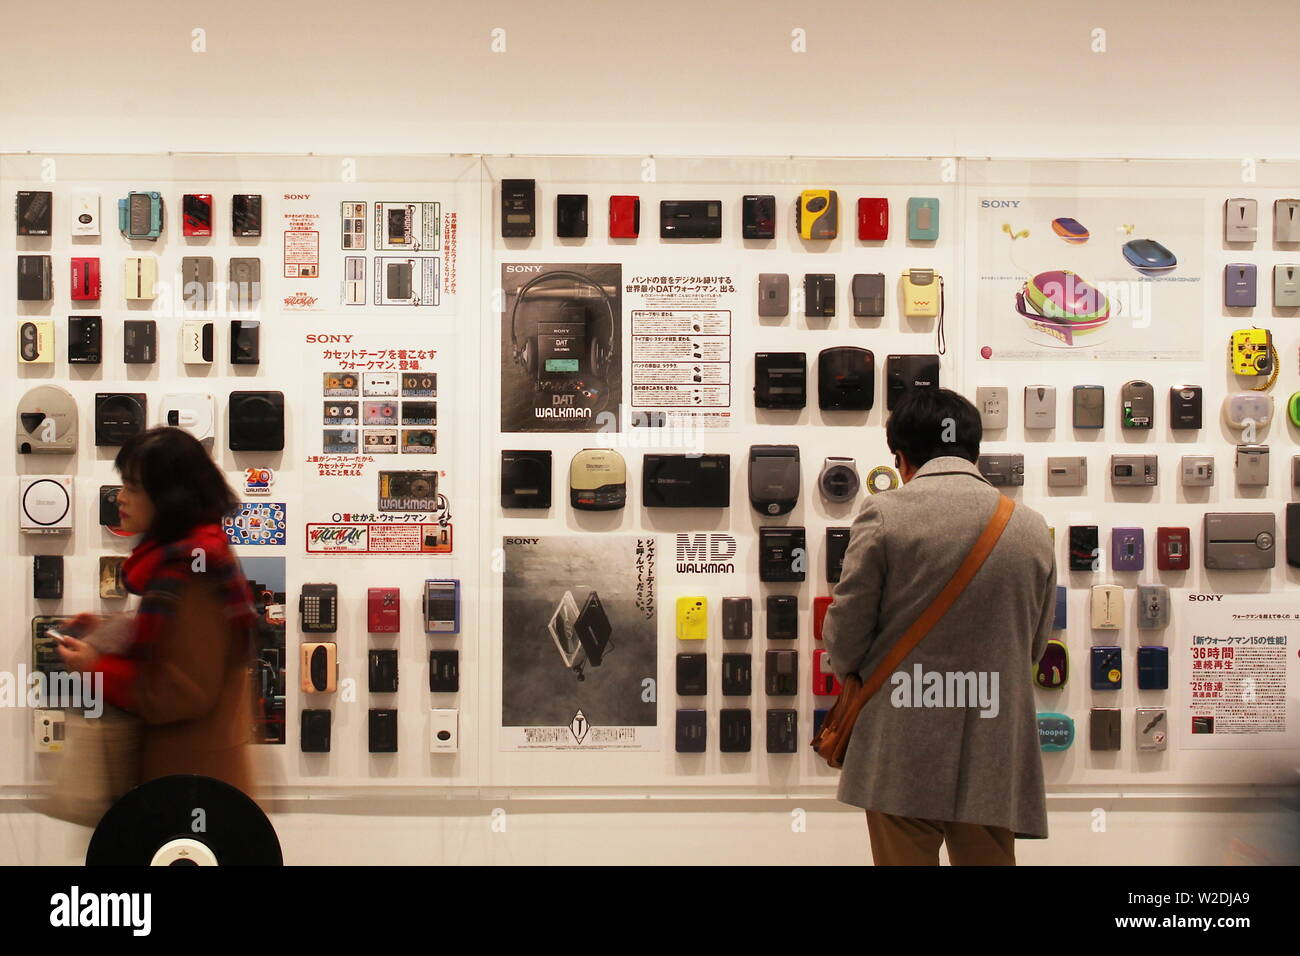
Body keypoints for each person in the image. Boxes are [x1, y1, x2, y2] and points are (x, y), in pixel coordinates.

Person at [821, 389, 1056, 865]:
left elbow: (847, 631)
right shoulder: (1031, 526)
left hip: (900, 734)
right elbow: (1033, 646)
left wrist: (852, 672)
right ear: (973, 450)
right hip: (992, 735)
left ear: (901, 457)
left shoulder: (885, 514)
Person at [57, 427, 259, 798]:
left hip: (190, 785)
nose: (120, 498)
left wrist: (93, 667)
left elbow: (179, 690)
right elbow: (177, 644)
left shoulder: (192, 570)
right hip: (186, 775)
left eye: (133, 487)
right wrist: (108, 633)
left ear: (169, 497)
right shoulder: (188, 561)